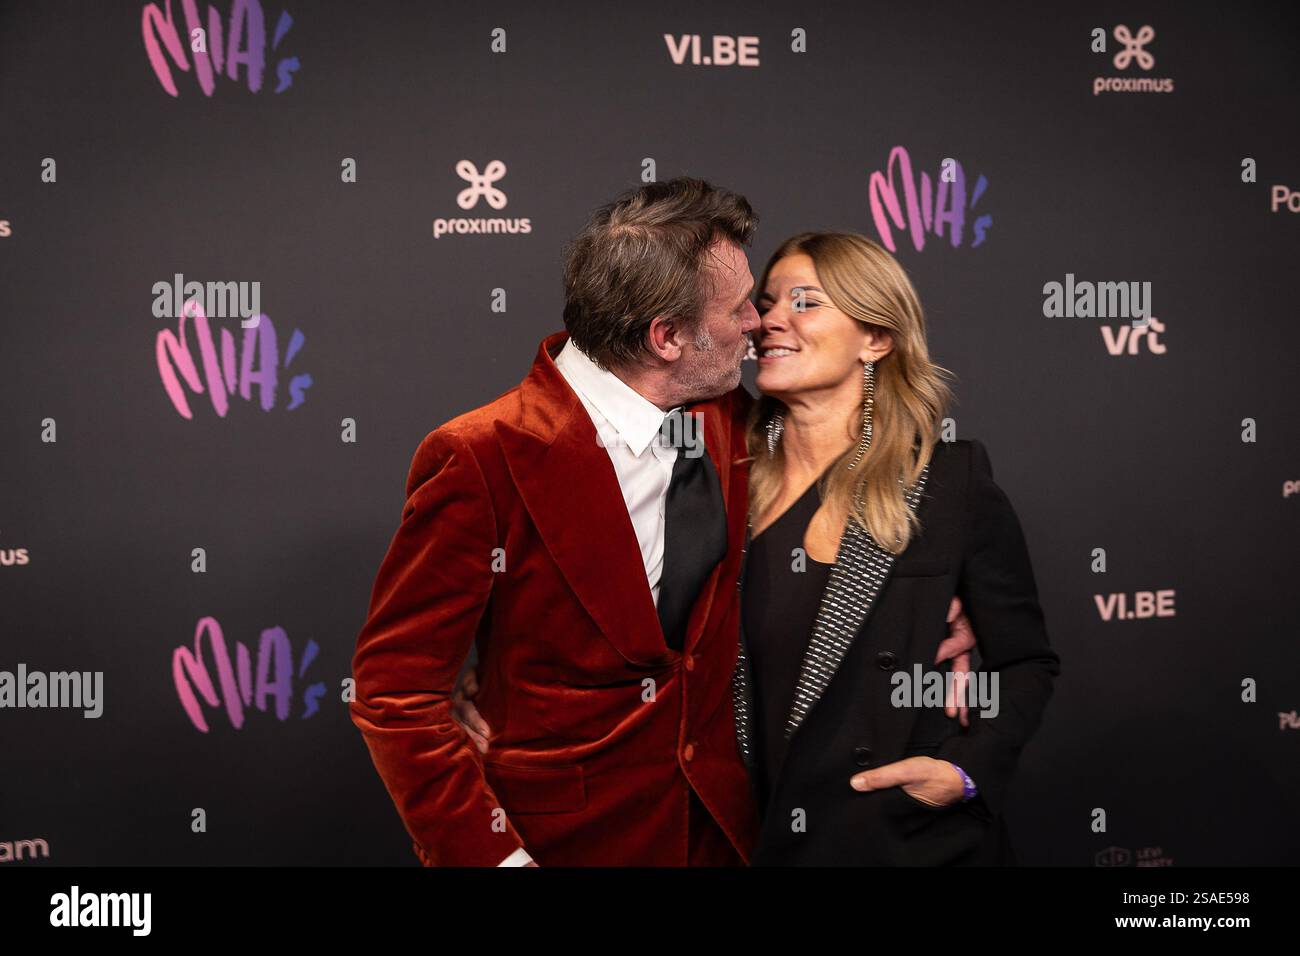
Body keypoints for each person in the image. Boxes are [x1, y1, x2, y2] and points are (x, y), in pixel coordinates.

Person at [352, 178, 978, 866]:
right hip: (560, 843)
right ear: (668, 336)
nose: (758, 323)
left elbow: (847, 472)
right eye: (742, 306)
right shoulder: (482, 456)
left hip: (729, 833)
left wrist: (932, 612)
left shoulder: (728, 419)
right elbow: (395, 692)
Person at [738, 232, 1060, 865]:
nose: (770, 319)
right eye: (767, 301)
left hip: (898, 843)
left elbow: (1025, 663)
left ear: (877, 338)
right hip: (751, 836)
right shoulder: (718, 475)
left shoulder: (948, 483)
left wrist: (961, 773)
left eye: (806, 301)